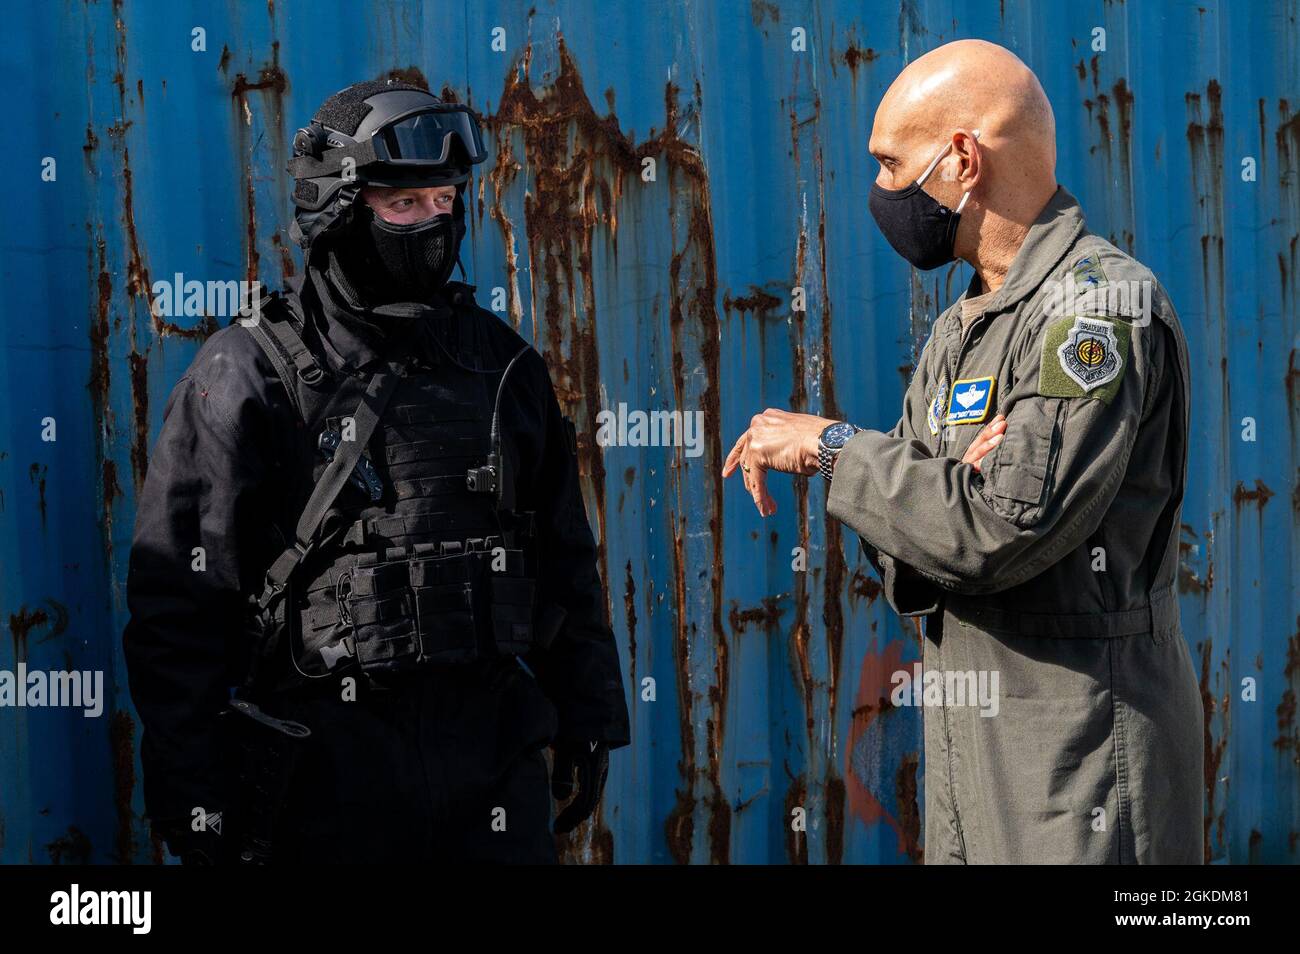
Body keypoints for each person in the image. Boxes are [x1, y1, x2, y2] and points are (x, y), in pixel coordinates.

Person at [124, 79, 630, 864]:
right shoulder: (246, 378)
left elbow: (564, 560)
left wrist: (589, 714)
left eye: (444, 199)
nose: (432, 223)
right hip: (322, 795)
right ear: (338, 211)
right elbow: (177, 615)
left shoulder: (501, 368)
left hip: (491, 790)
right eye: (402, 205)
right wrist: (193, 794)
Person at [723, 40, 1202, 864]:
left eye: (889, 163)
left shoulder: (1093, 312)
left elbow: (992, 534)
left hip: (1080, 759)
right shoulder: (966, 324)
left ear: (961, 159)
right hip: (971, 757)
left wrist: (837, 447)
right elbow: (921, 535)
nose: (879, 190)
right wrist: (938, 493)